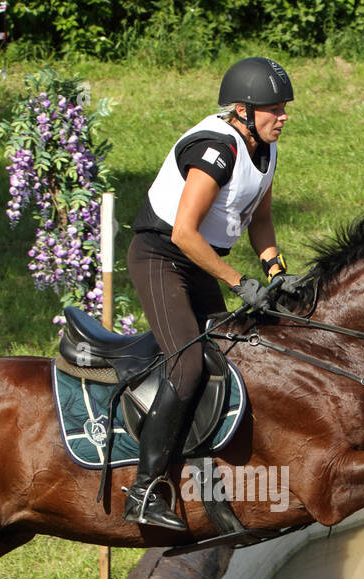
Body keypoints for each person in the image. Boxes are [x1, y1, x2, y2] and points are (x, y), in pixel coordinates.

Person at [123, 56, 302, 531]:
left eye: (284, 108)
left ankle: (207, 487)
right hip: (161, 257)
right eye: (273, 109)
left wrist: (274, 269)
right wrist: (237, 282)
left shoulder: (265, 148)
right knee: (187, 363)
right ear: (242, 109)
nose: (282, 116)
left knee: (225, 356)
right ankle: (144, 490)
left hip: (199, 260)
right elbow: (183, 233)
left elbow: (259, 220)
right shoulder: (215, 151)